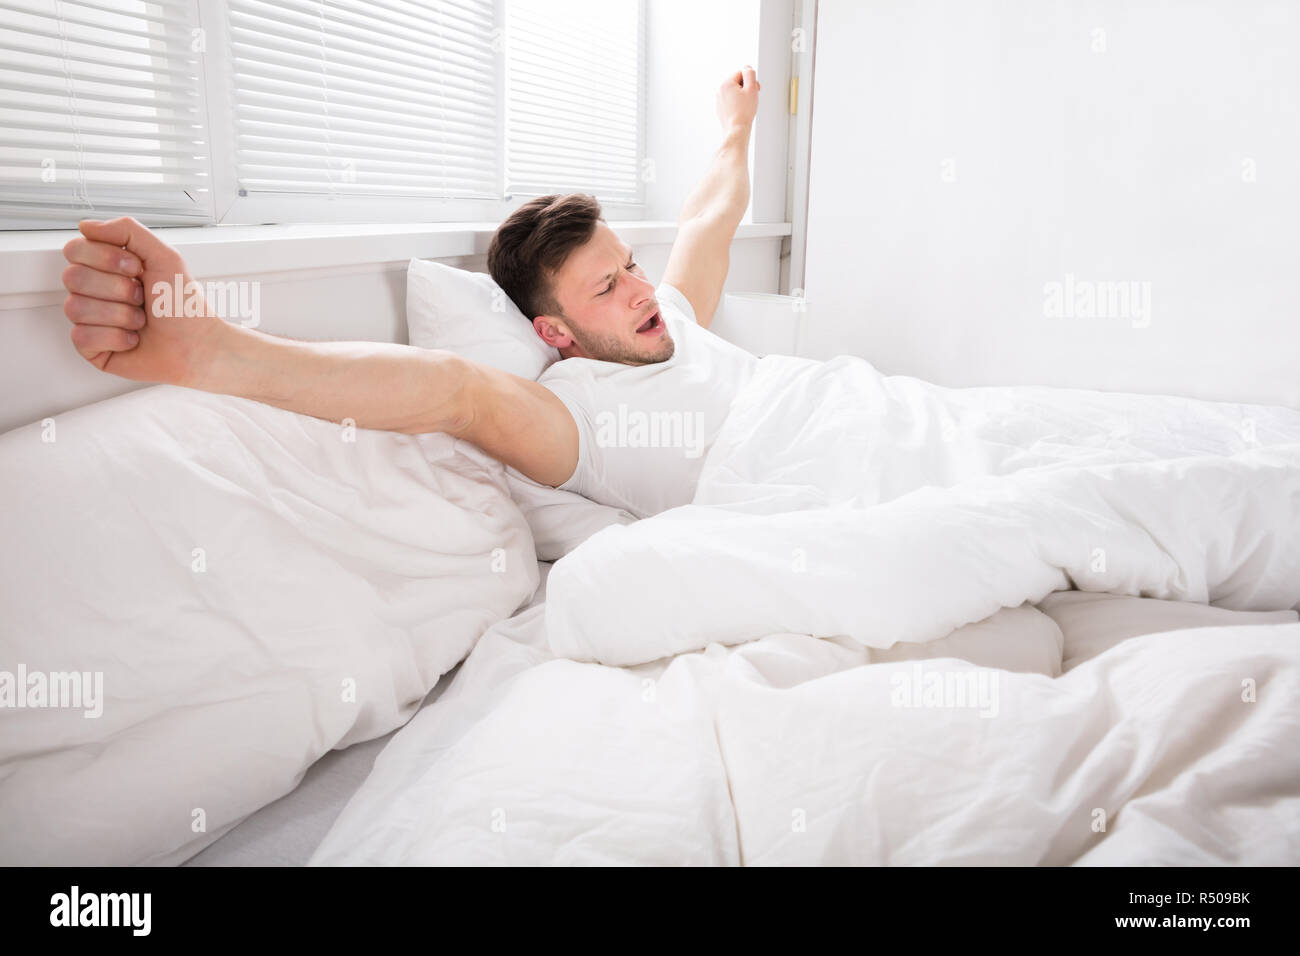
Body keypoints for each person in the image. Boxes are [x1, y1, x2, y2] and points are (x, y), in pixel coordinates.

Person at [59, 67, 763, 519]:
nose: (642, 289)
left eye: (632, 266)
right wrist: (212, 353)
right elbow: (457, 392)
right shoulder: (580, 416)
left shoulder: (666, 318)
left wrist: (737, 124)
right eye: (608, 285)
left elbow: (709, 223)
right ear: (554, 333)